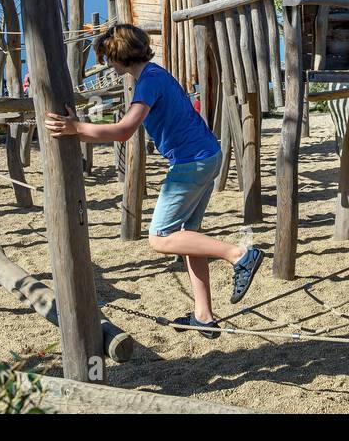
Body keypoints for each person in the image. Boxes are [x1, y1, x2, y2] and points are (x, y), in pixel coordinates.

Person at [45, 23, 263, 338]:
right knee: (189, 236)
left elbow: (123, 130)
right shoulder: (156, 75)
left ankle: (239, 255)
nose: (108, 64)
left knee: (160, 237)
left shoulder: (147, 82)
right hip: (207, 155)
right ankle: (203, 315)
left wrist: (75, 128)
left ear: (115, 57)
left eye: (107, 58)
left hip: (191, 162)